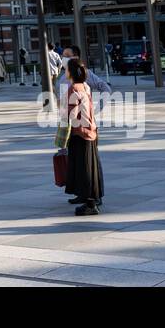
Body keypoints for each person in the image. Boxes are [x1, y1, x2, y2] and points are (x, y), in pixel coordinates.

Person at [64, 58, 104, 216]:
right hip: (90, 131)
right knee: (89, 167)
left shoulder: (73, 88)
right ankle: (90, 199)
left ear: (71, 72)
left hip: (80, 133)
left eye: (66, 69)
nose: (65, 71)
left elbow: (72, 114)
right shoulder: (85, 86)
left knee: (84, 169)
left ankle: (90, 204)